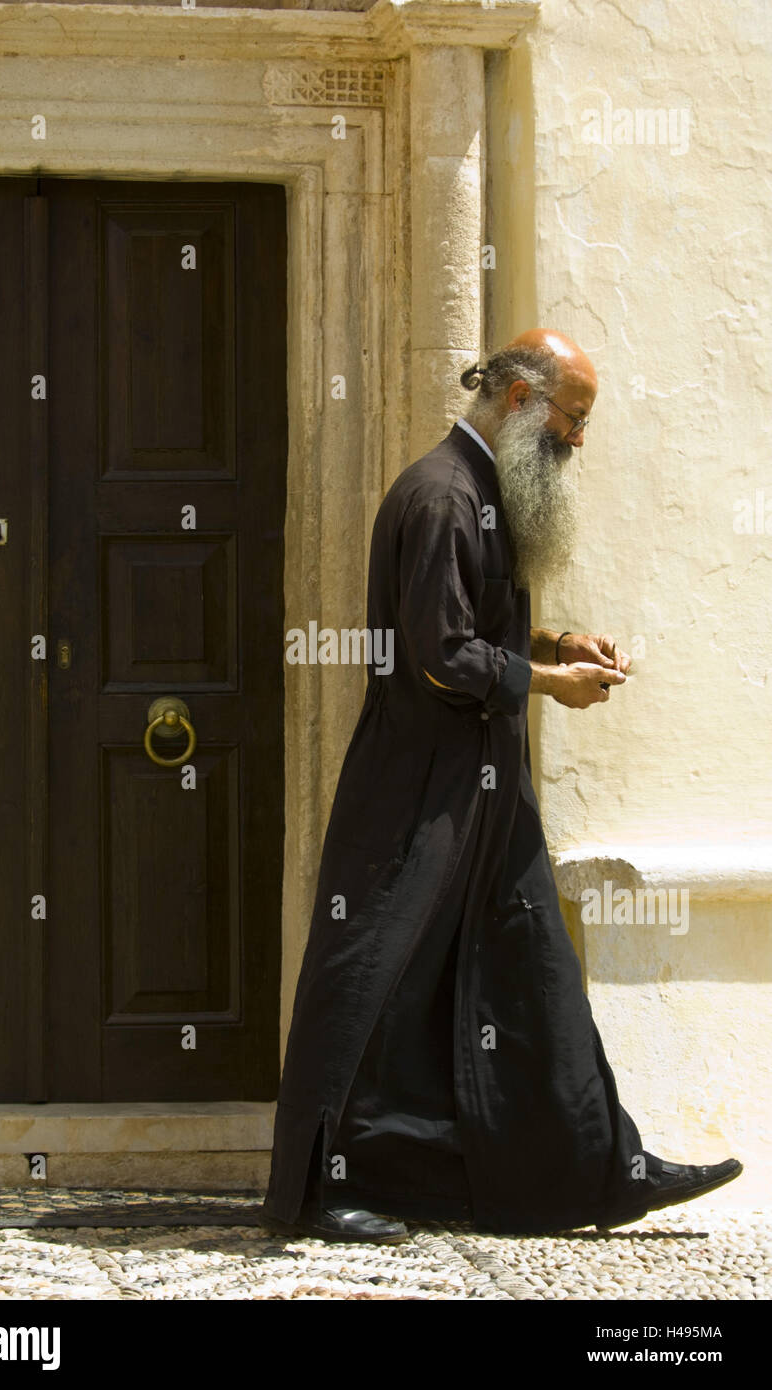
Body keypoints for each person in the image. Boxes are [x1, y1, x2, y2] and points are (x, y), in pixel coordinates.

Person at [260, 329, 742, 1243]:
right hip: (419, 787)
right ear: (520, 400)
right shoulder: (442, 494)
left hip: (482, 786)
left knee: (530, 970)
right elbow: (441, 659)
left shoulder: (480, 491)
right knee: (372, 971)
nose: (578, 439)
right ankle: (316, 1193)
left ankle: (600, 1171)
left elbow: (476, 628)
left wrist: (558, 645)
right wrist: (552, 686)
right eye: (572, 418)